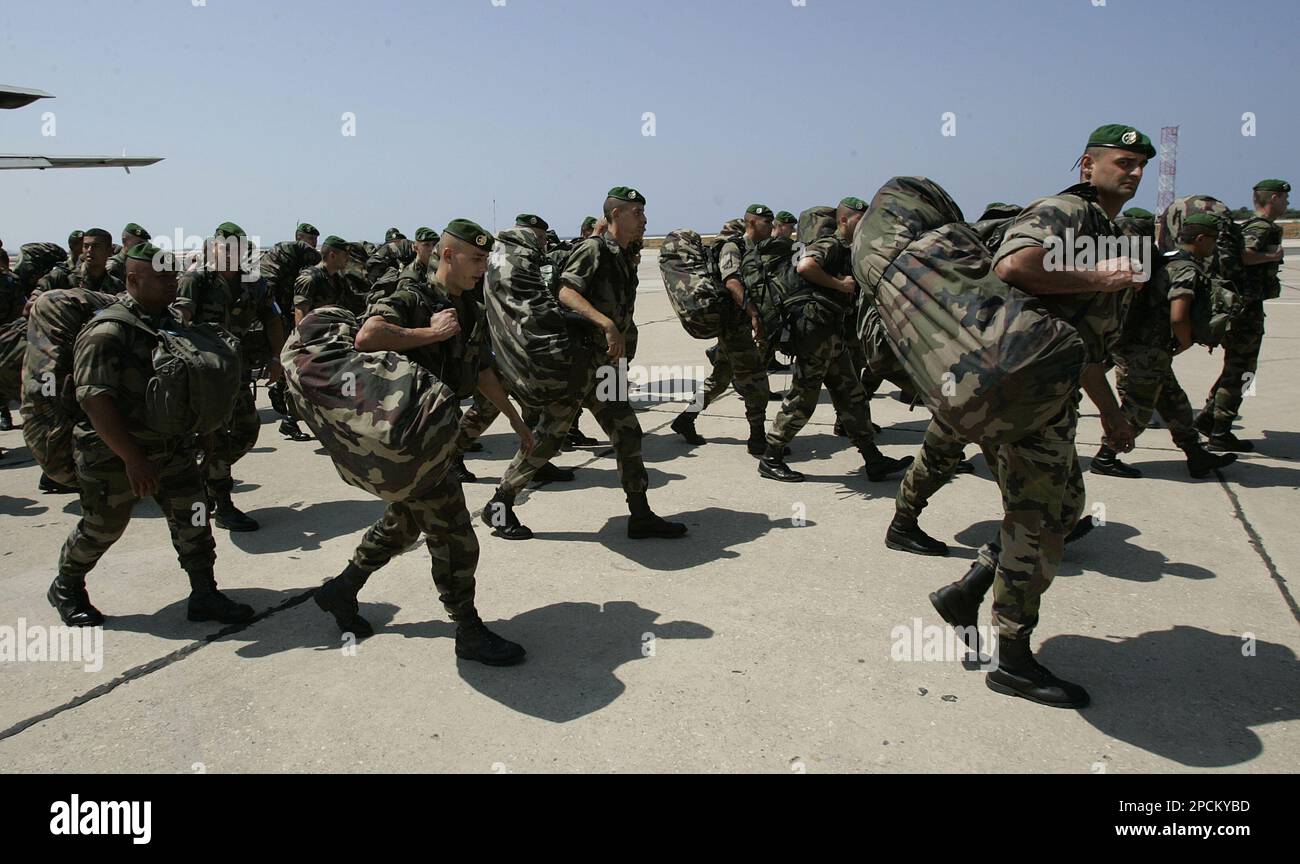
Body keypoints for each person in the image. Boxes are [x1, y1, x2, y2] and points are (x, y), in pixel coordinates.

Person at [315, 219, 533, 666]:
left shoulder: (467, 305)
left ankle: (342, 589)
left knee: (404, 523)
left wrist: (515, 420)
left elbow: (480, 369)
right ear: (448, 256)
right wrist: (430, 334)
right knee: (454, 536)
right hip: (406, 436)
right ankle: (468, 630)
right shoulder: (411, 296)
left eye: (486, 260)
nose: (482, 268)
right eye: (475, 260)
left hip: (435, 439)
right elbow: (368, 335)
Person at [47, 243, 254, 628]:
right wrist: (132, 459)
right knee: (103, 526)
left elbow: (191, 381)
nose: (172, 283)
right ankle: (67, 585)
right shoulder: (108, 331)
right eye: (161, 278)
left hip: (172, 444)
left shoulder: (174, 322)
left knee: (193, 518)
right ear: (132, 280)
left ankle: (204, 593)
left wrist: (205, 433)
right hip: (114, 451)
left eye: (173, 275)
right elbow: (94, 401)